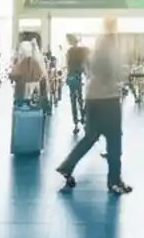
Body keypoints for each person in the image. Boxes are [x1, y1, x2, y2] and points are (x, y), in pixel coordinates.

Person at [56, 16, 133, 195]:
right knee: (114, 139)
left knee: (91, 136)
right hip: (108, 98)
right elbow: (113, 69)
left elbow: (91, 68)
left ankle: (67, 166)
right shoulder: (111, 43)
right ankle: (115, 181)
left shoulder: (97, 44)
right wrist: (122, 75)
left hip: (92, 97)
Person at [65, 34, 90, 134]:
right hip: (79, 77)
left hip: (71, 77)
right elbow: (85, 64)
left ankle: (75, 123)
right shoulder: (82, 50)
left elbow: (68, 65)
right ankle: (83, 119)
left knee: (73, 100)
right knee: (81, 99)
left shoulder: (70, 51)